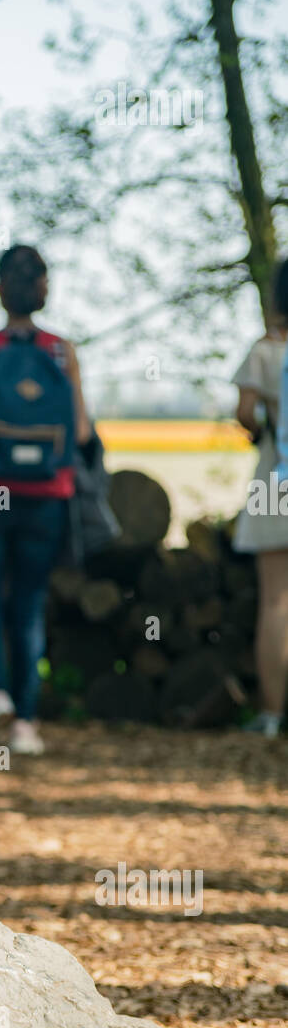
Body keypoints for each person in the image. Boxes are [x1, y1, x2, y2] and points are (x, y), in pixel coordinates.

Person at [0, 244, 91, 756]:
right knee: (29, 606)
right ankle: (26, 724)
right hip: (47, 494)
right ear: (44, 289)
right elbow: (79, 431)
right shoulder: (62, 351)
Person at [233, 259, 288, 738]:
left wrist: (263, 430)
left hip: (277, 480)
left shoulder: (265, 352)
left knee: (275, 601)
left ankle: (271, 715)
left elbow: (245, 413)